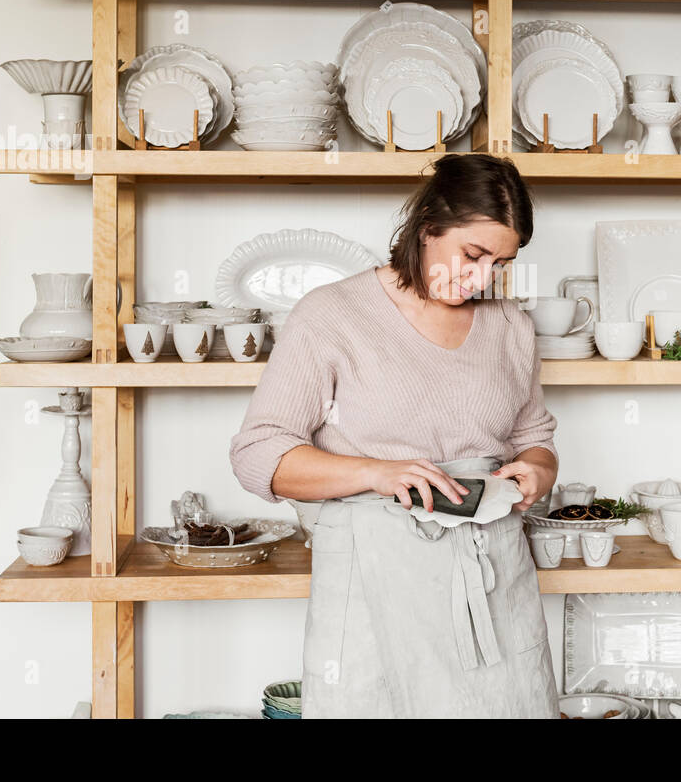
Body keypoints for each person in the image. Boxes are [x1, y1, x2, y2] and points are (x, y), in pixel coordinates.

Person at [229, 153, 561, 718]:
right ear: (428, 226)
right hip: (374, 576)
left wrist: (538, 471)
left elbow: (535, 437)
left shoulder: (510, 326)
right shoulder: (333, 314)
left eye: (501, 264)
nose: (482, 279)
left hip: (491, 573)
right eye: (473, 254)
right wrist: (376, 473)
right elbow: (259, 453)